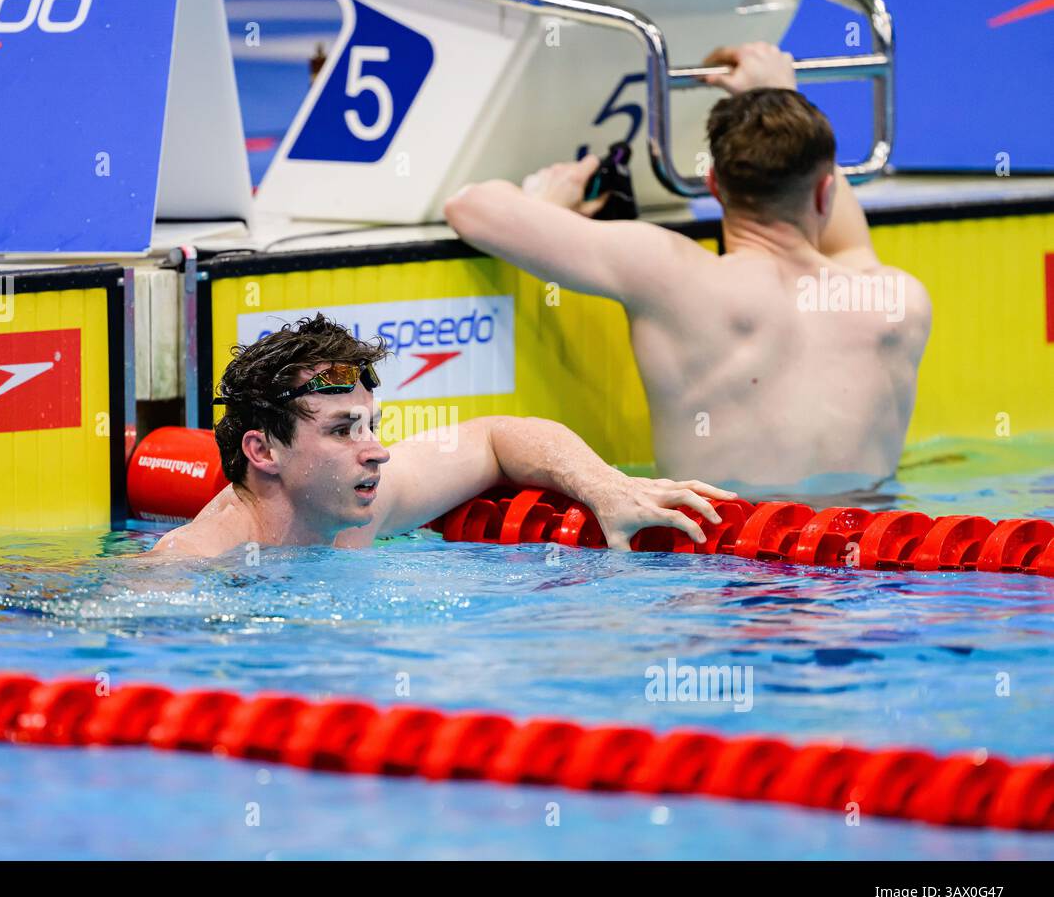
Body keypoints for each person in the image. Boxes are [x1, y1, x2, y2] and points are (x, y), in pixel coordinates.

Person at [442, 42, 932, 492]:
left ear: (713, 184)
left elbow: (470, 207)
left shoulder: (669, 273)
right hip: (863, 559)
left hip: (720, 564)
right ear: (826, 190)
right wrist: (780, 100)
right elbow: (847, 236)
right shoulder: (897, 301)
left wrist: (547, 203)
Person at [148, 314, 735, 558]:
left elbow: (497, 437)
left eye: (371, 424)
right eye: (342, 431)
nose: (375, 449)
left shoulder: (356, 504)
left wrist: (604, 484)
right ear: (262, 451)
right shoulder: (197, 564)